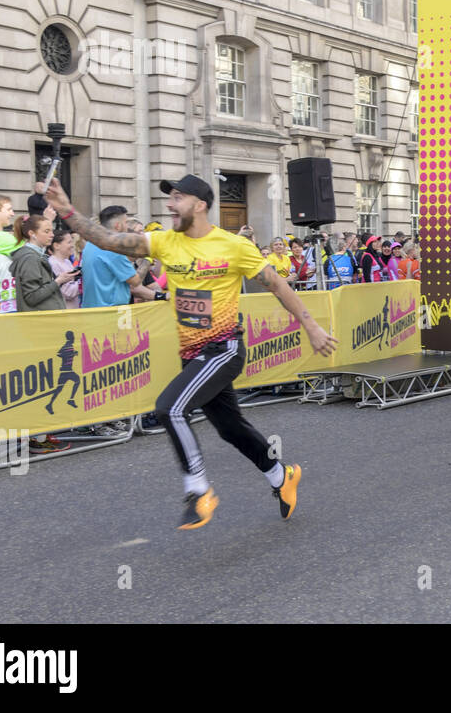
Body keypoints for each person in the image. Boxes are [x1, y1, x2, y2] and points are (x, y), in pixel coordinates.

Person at [43, 174, 338, 530]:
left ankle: (199, 489)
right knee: (230, 428)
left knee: (170, 407)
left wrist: (312, 325)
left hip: (223, 349)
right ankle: (281, 474)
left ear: (199, 205)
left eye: (178, 197)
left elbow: (277, 285)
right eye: (170, 198)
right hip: (192, 354)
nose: (169, 204)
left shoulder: (232, 246)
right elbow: (106, 238)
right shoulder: (165, 242)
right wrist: (65, 208)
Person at [82, 206, 160, 309]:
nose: (128, 228)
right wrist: (148, 259)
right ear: (118, 226)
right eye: (126, 223)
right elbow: (135, 281)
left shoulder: (91, 244)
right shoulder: (114, 248)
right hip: (111, 313)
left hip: (91, 310)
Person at [11, 215, 74, 312]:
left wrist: (59, 281)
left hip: (44, 320)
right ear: (32, 234)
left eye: (51, 231)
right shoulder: (30, 259)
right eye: (46, 231)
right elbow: (31, 297)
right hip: (40, 322)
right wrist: (58, 281)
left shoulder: (35, 256)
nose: (52, 235)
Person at [47, 230, 81, 309]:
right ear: (56, 246)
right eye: (69, 242)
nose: (72, 245)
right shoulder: (53, 263)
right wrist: (83, 282)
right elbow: (67, 292)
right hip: (65, 311)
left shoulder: (67, 261)